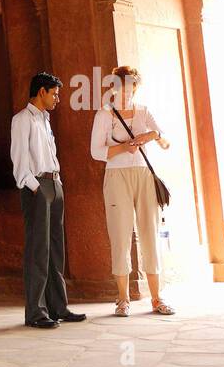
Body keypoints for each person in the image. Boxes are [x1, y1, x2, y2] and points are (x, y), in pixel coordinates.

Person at [90, 64, 174, 317]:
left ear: (135, 88)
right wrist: (124, 146)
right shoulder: (104, 114)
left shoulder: (143, 111)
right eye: (121, 88)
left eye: (130, 89)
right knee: (120, 233)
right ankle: (123, 299)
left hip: (143, 175)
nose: (126, 93)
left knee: (150, 231)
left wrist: (153, 135)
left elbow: (167, 143)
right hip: (117, 177)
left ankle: (157, 298)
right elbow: (95, 152)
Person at [10, 73, 87, 329]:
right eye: (54, 93)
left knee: (55, 249)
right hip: (37, 187)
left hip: (54, 184)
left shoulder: (45, 120)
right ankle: (36, 312)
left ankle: (58, 307)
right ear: (41, 92)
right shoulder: (22, 120)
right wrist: (35, 188)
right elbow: (20, 162)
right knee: (38, 250)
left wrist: (58, 183)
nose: (57, 98)